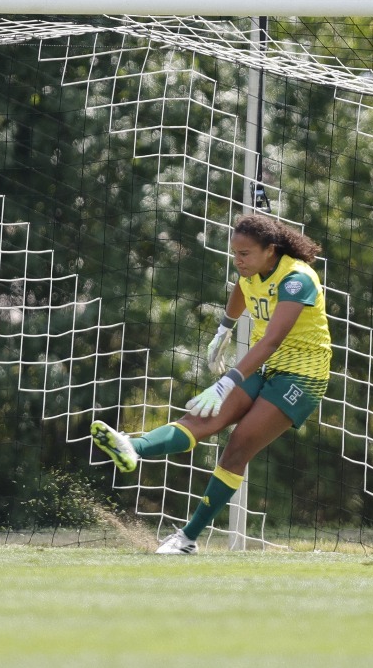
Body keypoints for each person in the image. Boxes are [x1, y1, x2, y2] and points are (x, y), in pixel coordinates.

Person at [91, 214, 331, 553]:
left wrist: (227, 381)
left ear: (270, 250)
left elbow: (272, 341)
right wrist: (224, 328)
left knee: (237, 447)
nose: (238, 261)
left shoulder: (297, 279)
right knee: (203, 419)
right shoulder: (251, 271)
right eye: (235, 253)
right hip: (265, 368)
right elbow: (243, 288)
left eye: (245, 254)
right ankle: (133, 447)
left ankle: (187, 539)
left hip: (302, 376)